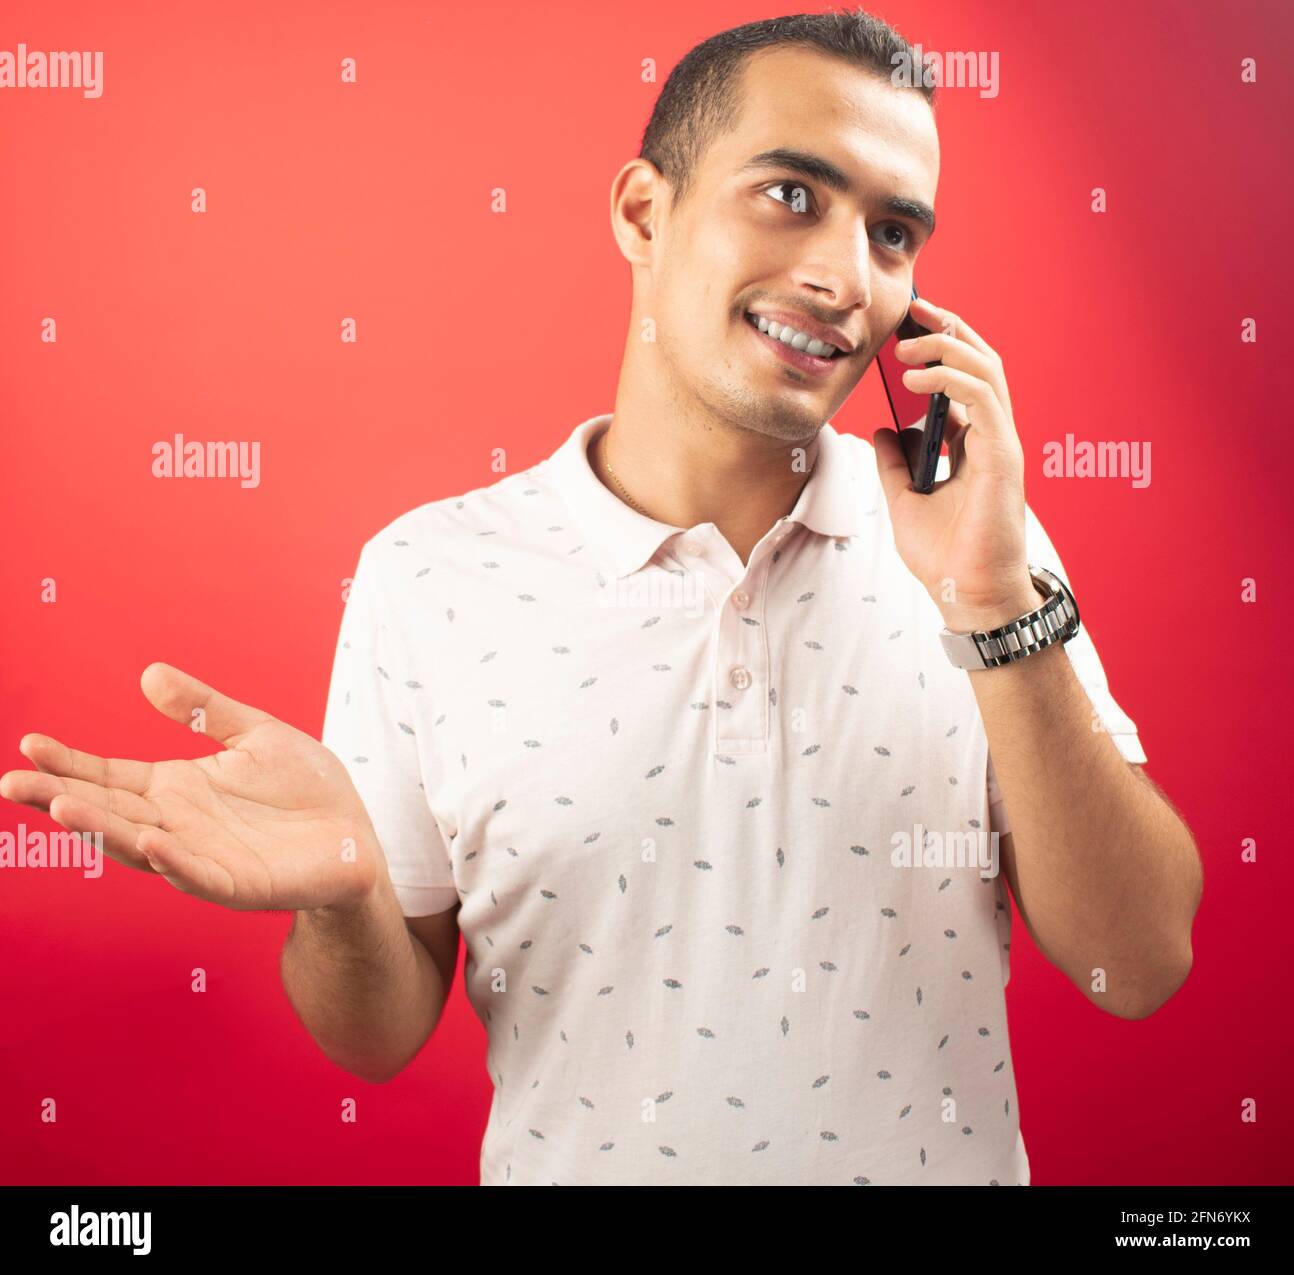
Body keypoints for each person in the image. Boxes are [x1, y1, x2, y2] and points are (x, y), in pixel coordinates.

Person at [0, 9, 1201, 1186]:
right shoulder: (429, 577)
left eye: (892, 234)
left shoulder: (982, 557)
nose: (845, 275)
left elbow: (1135, 968)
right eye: (792, 194)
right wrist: (347, 900)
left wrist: (993, 602)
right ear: (643, 211)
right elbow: (372, 1036)